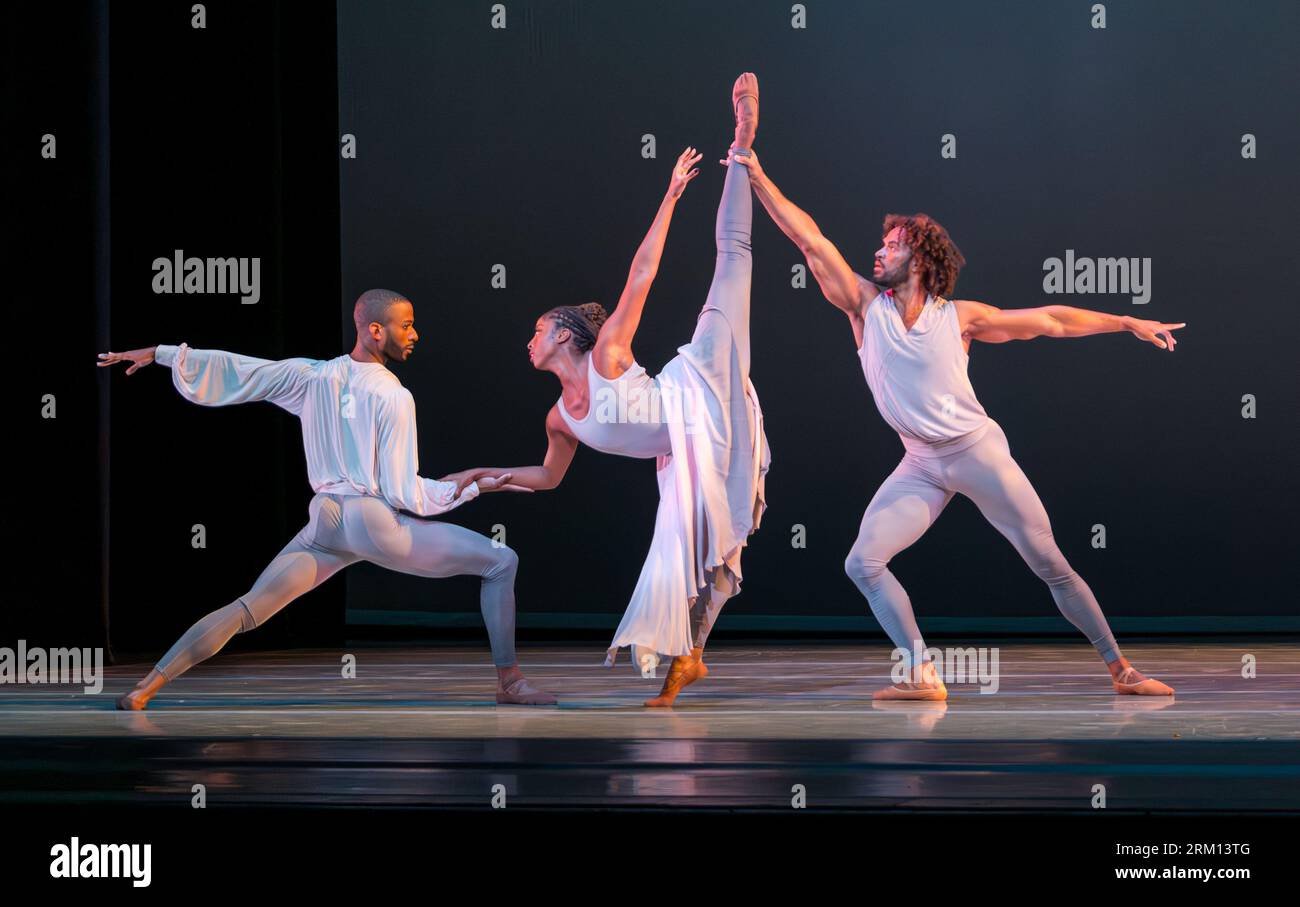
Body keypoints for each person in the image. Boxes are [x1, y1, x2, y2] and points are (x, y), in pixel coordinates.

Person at [731, 147, 1183, 699]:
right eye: (883, 242)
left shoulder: (959, 318)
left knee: (1050, 564)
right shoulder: (863, 306)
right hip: (920, 463)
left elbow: (1050, 321)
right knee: (863, 563)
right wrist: (756, 173)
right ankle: (923, 677)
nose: (878, 251)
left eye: (892, 245)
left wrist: (1124, 321)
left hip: (977, 453)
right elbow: (809, 239)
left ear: (918, 260)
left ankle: (1122, 670)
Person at [442, 74, 770, 707]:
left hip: (700, 386)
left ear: (567, 334)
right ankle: (691, 659)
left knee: (733, 256)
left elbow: (641, 271)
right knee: (693, 547)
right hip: (681, 452)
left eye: (538, 330)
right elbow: (545, 479)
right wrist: (483, 476)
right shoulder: (559, 419)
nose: (528, 342)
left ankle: (743, 142)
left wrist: (672, 194)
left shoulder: (610, 351)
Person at [98, 288, 556, 709]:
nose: (415, 334)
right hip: (372, 523)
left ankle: (146, 688)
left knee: (247, 609)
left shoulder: (311, 376)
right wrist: (470, 483)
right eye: (406, 324)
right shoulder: (393, 395)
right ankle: (510, 682)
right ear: (375, 330)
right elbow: (402, 491)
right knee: (501, 561)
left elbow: (239, 370)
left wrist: (161, 355)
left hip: (325, 523)